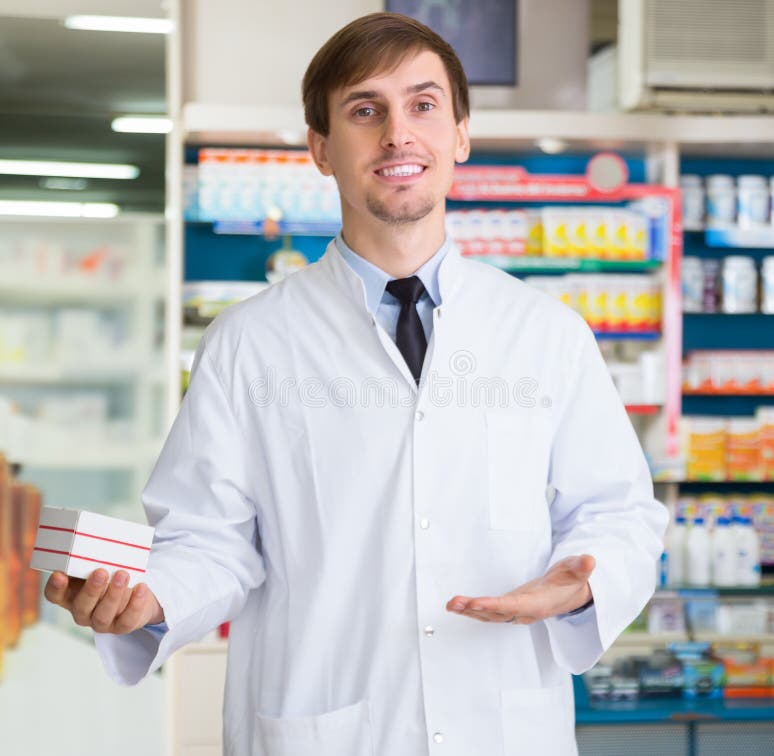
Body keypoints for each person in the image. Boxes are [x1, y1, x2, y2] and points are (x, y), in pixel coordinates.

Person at [44, 12, 667, 756]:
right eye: (365, 110)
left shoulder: (547, 335)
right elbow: (211, 541)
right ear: (320, 148)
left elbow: (619, 512)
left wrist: (584, 583)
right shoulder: (249, 343)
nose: (399, 134)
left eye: (424, 105)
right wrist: (150, 600)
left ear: (460, 135)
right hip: (326, 728)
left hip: (502, 730)